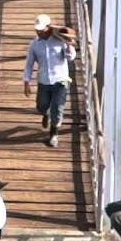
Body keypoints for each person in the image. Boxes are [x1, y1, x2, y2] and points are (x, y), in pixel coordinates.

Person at [23, 15, 77, 148]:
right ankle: (45, 113)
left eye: (41, 29)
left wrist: (68, 44)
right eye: (37, 30)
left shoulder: (60, 40)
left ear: (48, 28)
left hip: (61, 80)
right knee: (41, 106)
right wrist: (26, 82)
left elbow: (70, 57)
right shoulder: (35, 44)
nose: (38, 32)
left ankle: (54, 134)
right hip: (44, 80)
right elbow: (29, 63)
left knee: (57, 108)